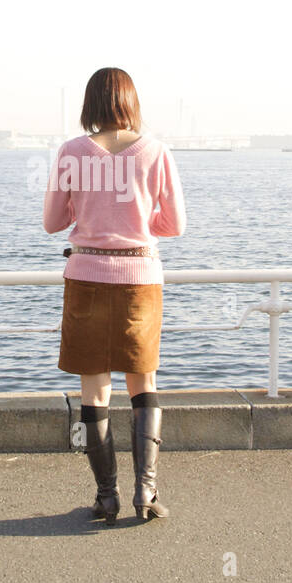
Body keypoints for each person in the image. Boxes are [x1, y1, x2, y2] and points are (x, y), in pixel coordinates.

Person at [43, 67, 186, 523]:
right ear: (131, 101)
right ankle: (146, 493)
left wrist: (84, 210)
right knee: (142, 381)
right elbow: (174, 225)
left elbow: (52, 221)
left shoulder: (71, 152)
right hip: (140, 276)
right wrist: (140, 222)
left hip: (86, 273)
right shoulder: (156, 152)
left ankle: (107, 497)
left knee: (94, 385)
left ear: (90, 104)